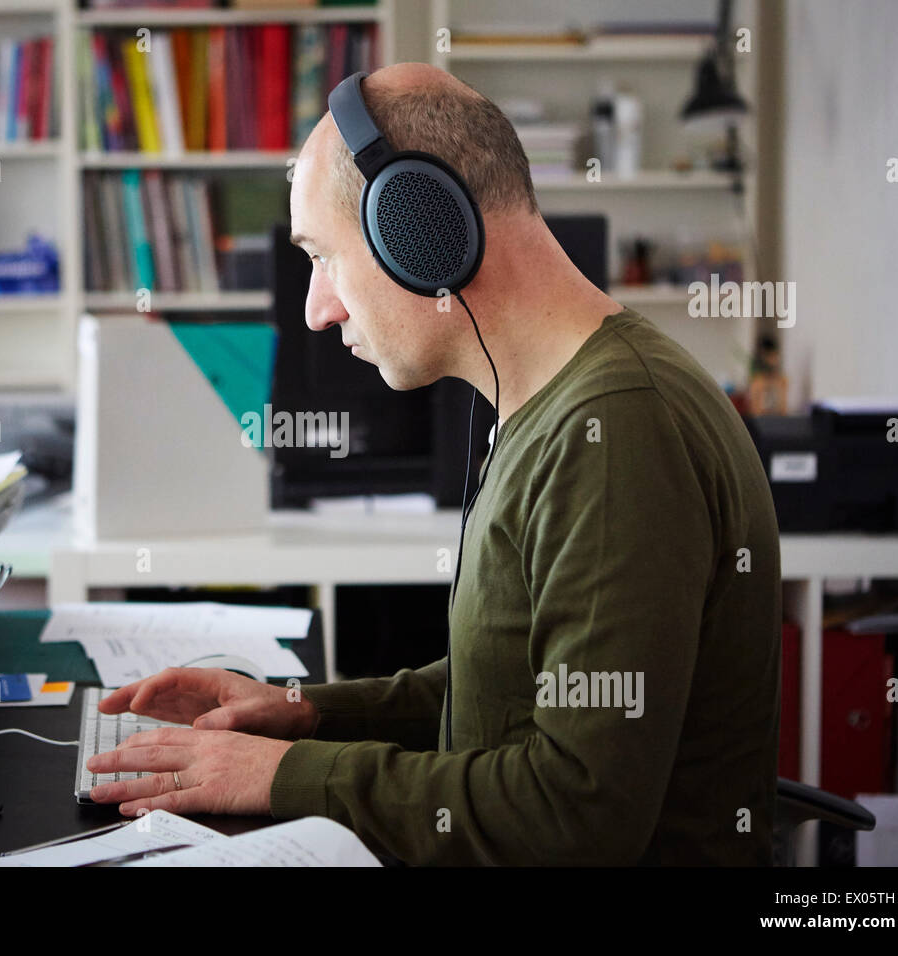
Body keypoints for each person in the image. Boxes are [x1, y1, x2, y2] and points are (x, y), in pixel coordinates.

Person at [85, 62, 782, 866]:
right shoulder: (555, 402)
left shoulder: (618, 432)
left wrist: (287, 778)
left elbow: (577, 815)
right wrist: (300, 713)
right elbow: (508, 689)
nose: (317, 309)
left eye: (322, 256)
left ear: (419, 230)